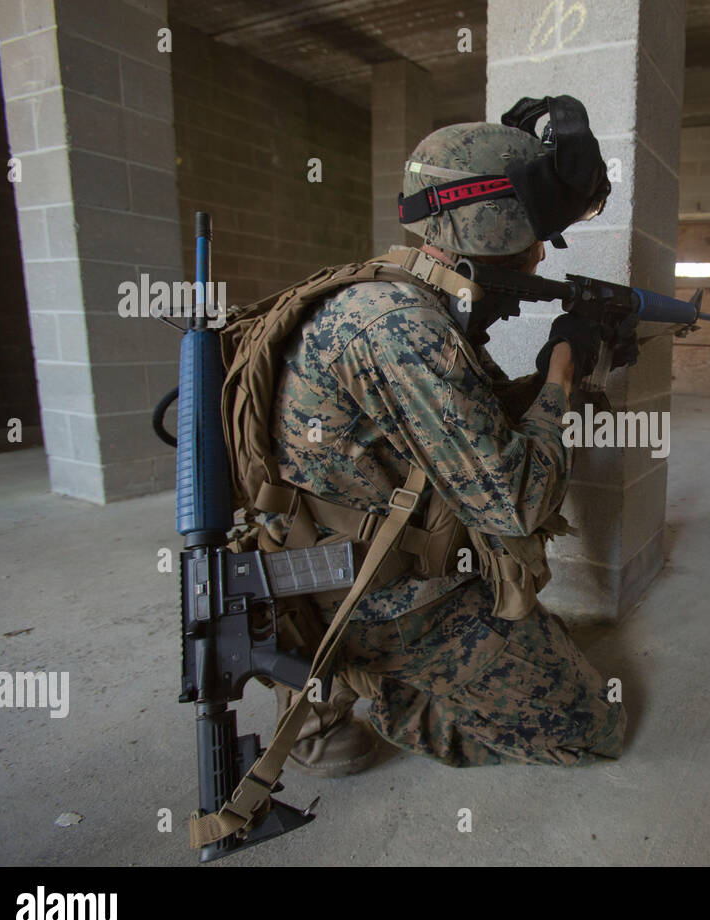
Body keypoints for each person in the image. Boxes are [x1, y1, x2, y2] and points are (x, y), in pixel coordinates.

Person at [262, 96, 627, 773]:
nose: (542, 252)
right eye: (534, 235)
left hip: (351, 561)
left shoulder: (395, 293)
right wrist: (561, 376)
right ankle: (386, 685)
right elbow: (516, 500)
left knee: (548, 644)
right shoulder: (405, 328)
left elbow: (467, 424)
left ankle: (368, 673)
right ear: (494, 230)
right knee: (592, 727)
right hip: (385, 600)